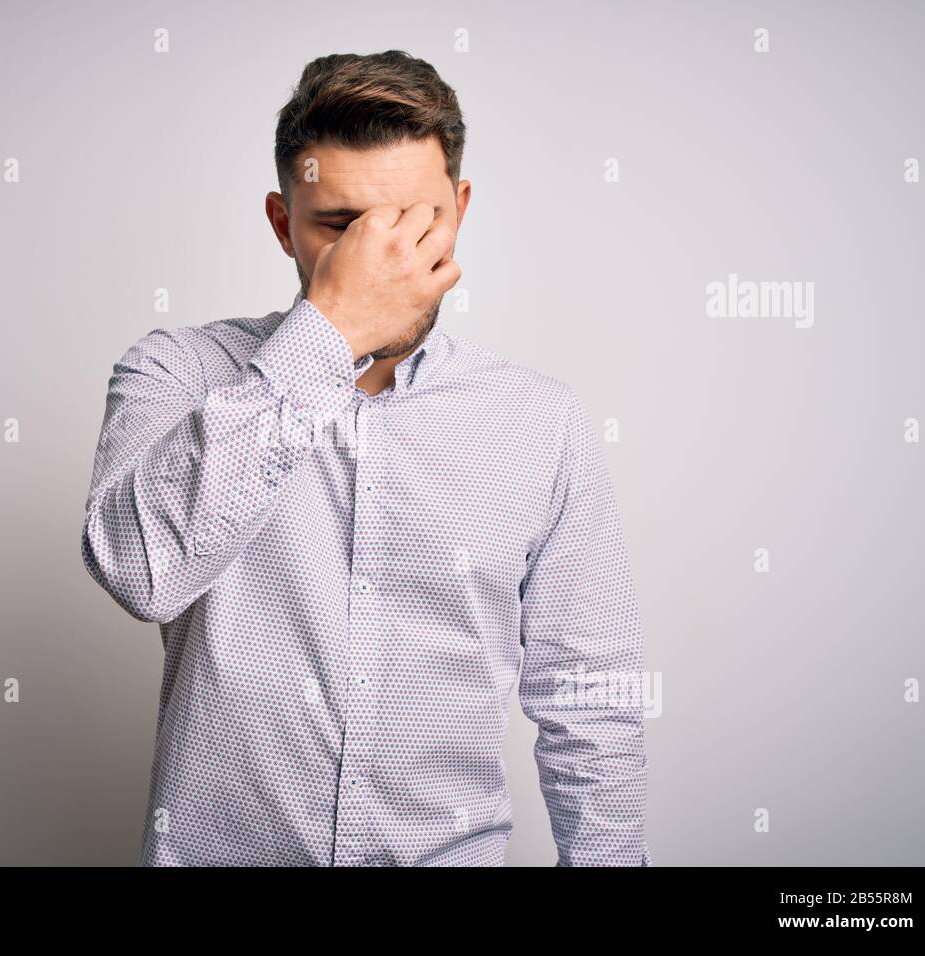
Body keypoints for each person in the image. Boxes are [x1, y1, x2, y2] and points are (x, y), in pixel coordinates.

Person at [82, 50, 651, 866]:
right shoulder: (176, 374)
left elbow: (589, 704)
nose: (381, 258)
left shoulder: (540, 421)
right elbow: (139, 571)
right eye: (341, 227)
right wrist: (331, 329)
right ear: (282, 224)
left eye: (415, 222)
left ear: (460, 209)